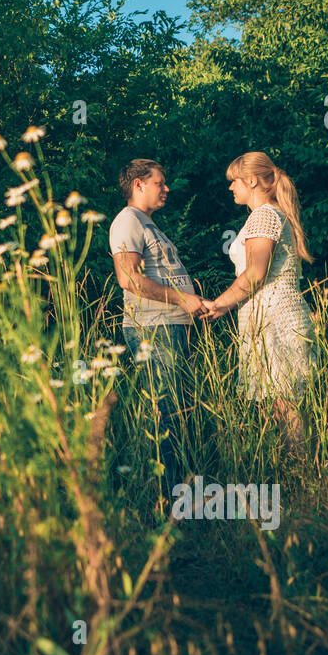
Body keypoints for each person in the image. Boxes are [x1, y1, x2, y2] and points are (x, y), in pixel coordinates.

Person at [200, 152, 317, 449]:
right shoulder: (270, 213)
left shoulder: (264, 215)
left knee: (285, 405)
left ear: (251, 180)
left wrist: (220, 304)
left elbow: (255, 274)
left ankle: (303, 476)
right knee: (277, 404)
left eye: (234, 181)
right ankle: (294, 476)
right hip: (269, 317)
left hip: (275, 319)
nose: (230, 188)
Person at [109, 159, 207, 486]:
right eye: (160, 183)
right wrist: (182, 299)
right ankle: (170, 497)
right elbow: (129, 279)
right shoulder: (127, 222)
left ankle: (182, 490)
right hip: (154, 329)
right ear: (138, 184)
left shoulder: (148, 224)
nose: (167, 189)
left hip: (171, 329)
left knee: (179, 412)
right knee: (166, 412)